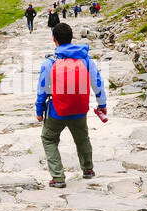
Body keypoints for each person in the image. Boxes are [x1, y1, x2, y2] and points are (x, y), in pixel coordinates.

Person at [36, 22, 108, 188]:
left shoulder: (50, 62)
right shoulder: (86, 59)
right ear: (72, 37)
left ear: (54, 40)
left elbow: (42, 89)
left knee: (48, 139)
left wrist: (39, 110)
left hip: (56, 111)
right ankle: (88, 169)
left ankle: (58, 177)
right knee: (82, 138)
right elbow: (97, 82)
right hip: (79, 109)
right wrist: (101, 103)